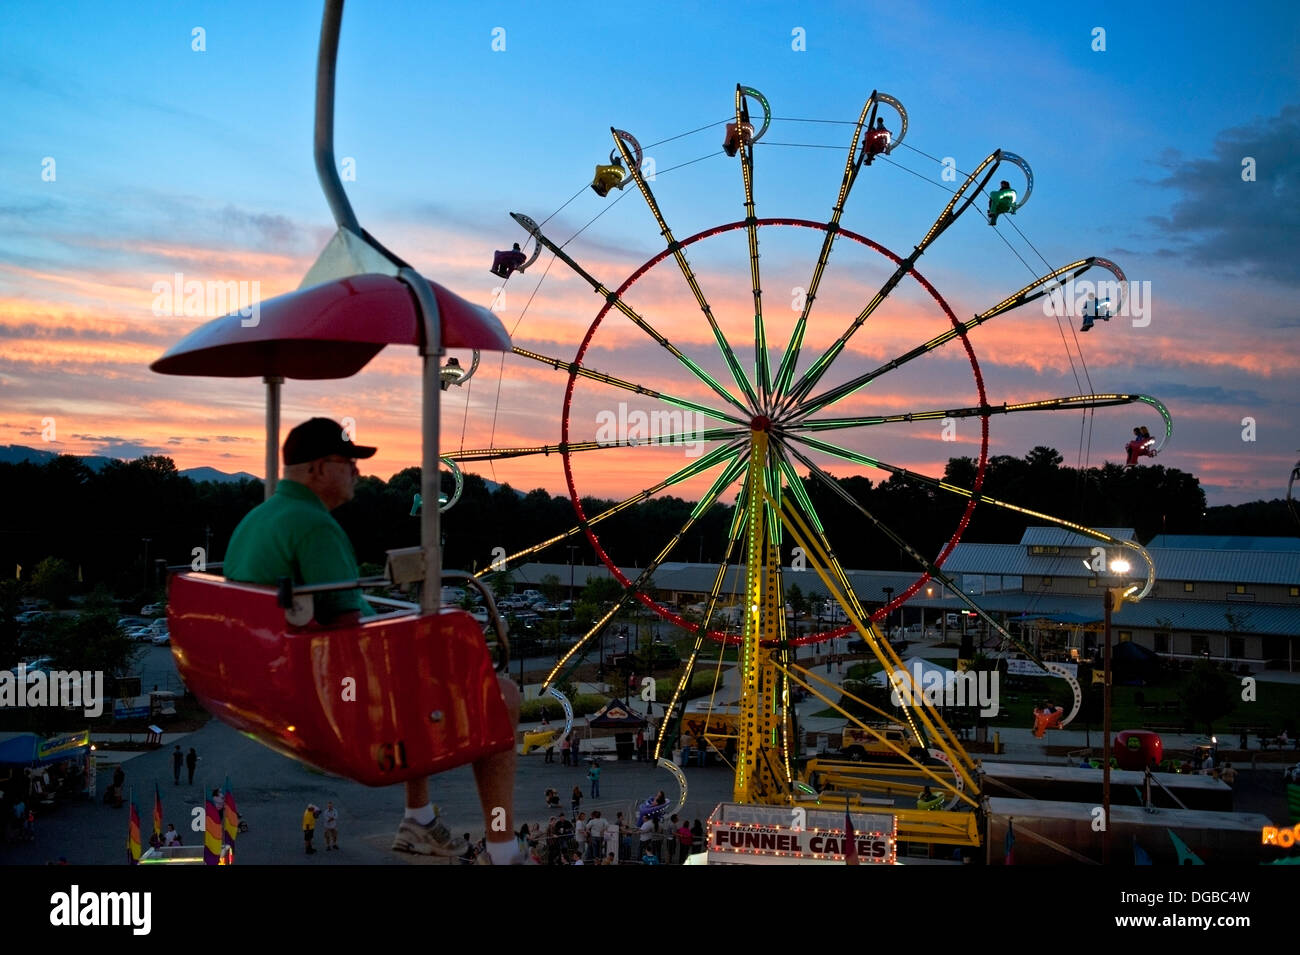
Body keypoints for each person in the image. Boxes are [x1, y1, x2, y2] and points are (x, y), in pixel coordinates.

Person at [222, 418, 521, 863]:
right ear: (320, 468)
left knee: (425, 676)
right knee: (503, 696)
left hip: (275, 690)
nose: (358, 474)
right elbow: (351, 635)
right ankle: (502, 848)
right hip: (332, 702)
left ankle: (419, 818)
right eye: (349, 463)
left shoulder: (259, 519)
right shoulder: (314, 527)